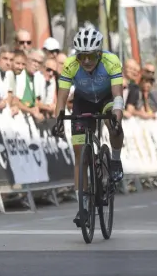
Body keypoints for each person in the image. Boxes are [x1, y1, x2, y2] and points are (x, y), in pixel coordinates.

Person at [51, 25, 125, 226]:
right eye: (82, 56)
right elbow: (62, 97)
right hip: (82, 101)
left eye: (90, 56)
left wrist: (117, 119)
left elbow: (118, 94)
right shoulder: (70, 64)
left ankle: (115, 160)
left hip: (107, 98)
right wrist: (58, 119)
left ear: (99, 53)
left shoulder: (111, 61)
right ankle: (83, 207)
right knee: (79, 154)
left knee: (113, 120)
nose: (86, 61)